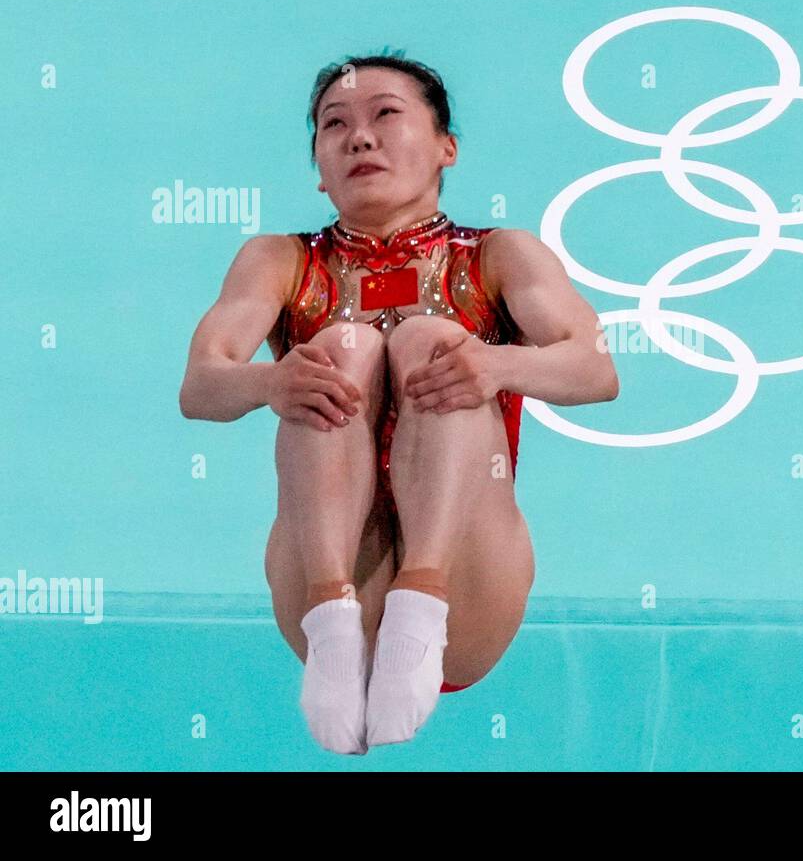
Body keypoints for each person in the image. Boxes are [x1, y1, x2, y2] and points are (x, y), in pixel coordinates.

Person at [179, 52, 619, 754]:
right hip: (332, 578)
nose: (360, 137)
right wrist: (271, 381)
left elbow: (596, 368)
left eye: (386, 114)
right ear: (319, 169)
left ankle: (421, 600)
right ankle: (331, 619)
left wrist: (495, 361)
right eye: (335, 125)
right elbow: (201, 384)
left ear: (447, 147)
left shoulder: (501, 254)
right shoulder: (278, 259)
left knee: (435, 337)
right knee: (342, 349)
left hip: (467, 584)